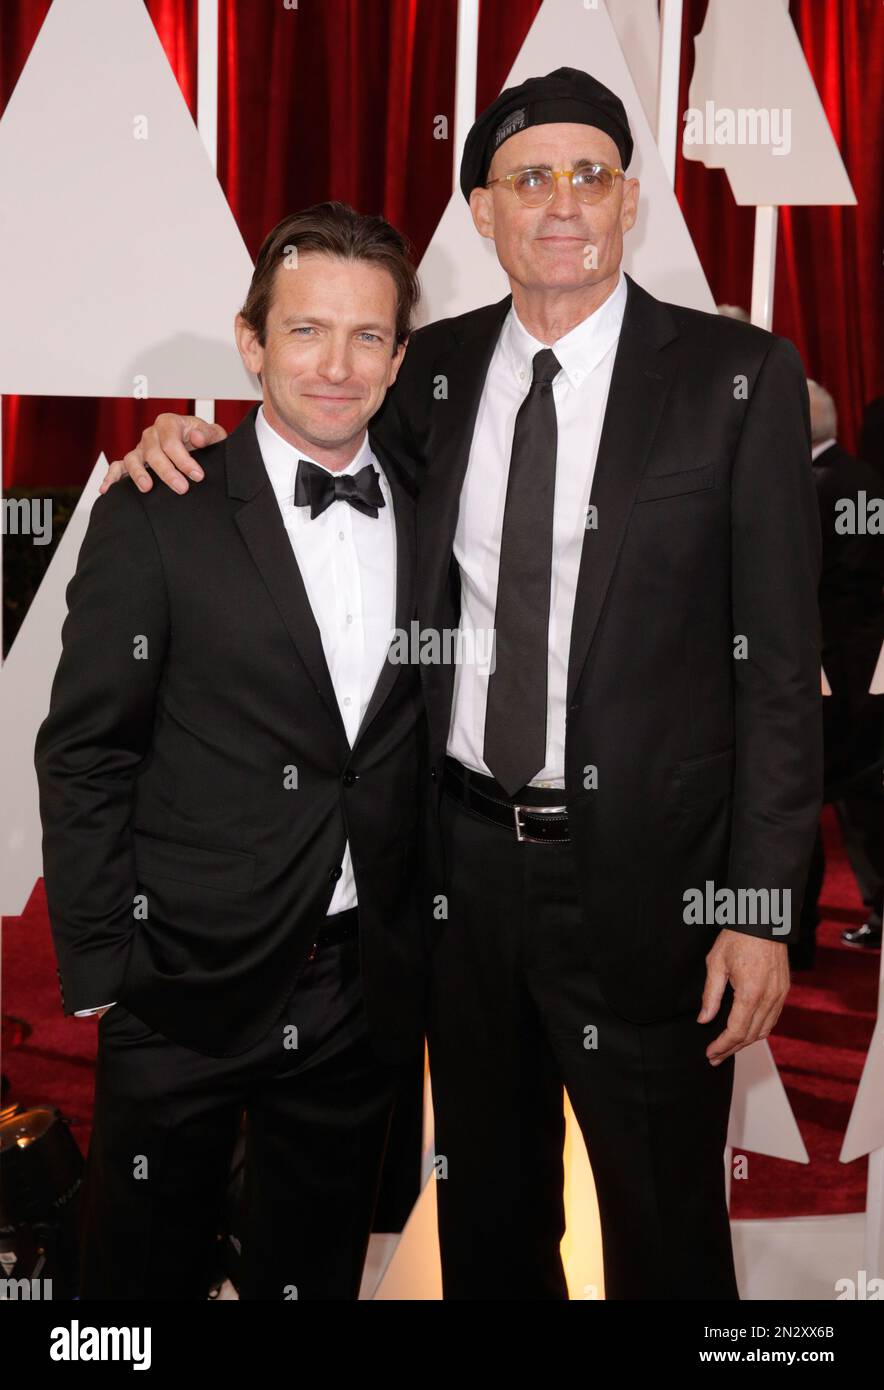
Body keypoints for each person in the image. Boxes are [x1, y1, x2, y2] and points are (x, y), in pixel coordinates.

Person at [102, 68, 823, 1301]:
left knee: (667, 1237)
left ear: (628, 203)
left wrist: (759, 903)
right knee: (489, 1221)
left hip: (659, 887)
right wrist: (181, 438)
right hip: (456, 877)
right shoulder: (422, 373)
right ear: (481, 213)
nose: (559, 203)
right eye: (526, 178)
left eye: (586, 176)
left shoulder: (732, 378)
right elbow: (302, 430)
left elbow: (776, 674)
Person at [35, 203, 428, 1300]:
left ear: (400, 356)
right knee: (136, 1278)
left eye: (365, 337)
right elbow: (85, 751)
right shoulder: (159, 508)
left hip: (359, 986)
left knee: (310, 1270)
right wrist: (108, 970)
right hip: (183, 978)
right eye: (305, 331)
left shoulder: (436, 504)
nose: (336, 365)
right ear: (251, 343)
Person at [798, 381, 884, 959]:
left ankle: (794, 932)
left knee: (805, 796)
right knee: (860, 796)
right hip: (864, 662)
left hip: (829, 665)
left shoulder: (814, 487)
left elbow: (823, 582)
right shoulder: (863, 478)